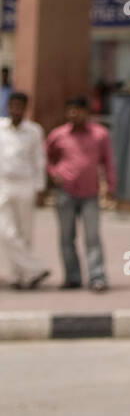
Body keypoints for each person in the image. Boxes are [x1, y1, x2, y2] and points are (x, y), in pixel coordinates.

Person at [45, 94, 115, 291]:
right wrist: (54, 172)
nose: (73, 114)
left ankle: (97, 277)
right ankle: (72, 277)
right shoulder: (58, 135)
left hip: (90, 193)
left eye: (77, 110)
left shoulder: (100, 134)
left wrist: (110, 187)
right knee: (67, 237)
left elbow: (108, 162)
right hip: (65, 193)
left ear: (86, 112)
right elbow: (47, 157)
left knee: (92, 237)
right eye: (70, 110)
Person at [0, 90, 50, 290]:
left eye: (20, 106)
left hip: (26, 184)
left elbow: (39, 161)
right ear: (8, 107)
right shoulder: (0, 128)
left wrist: (40, 188)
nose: (16, 110)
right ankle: (36, 268)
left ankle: (19, 276)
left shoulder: (34, 131)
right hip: (3, 184)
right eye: (13, 106)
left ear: (25, 108)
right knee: (6, 232)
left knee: (24, 233)